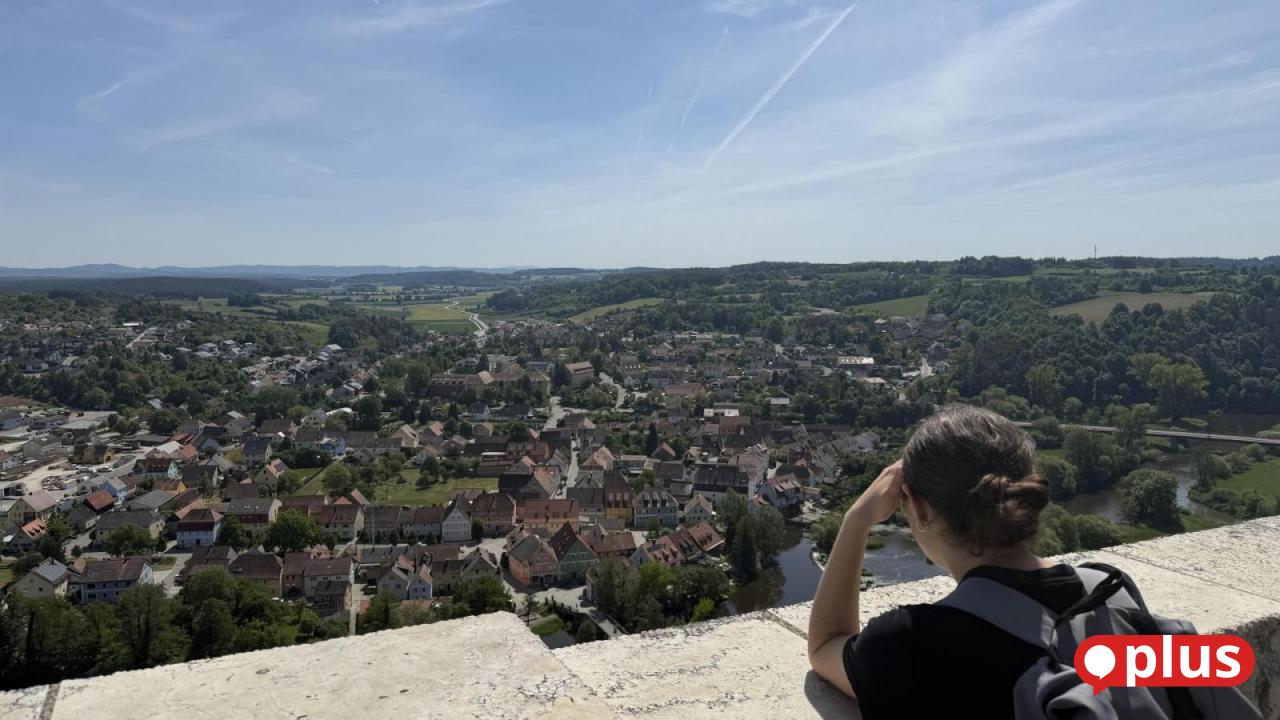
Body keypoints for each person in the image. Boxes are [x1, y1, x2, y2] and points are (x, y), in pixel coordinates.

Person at [807, 405, 1078, 718]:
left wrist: (856, 520)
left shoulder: (910, 644)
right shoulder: (1108, 588)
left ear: (921, 511)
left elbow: (824, 645)